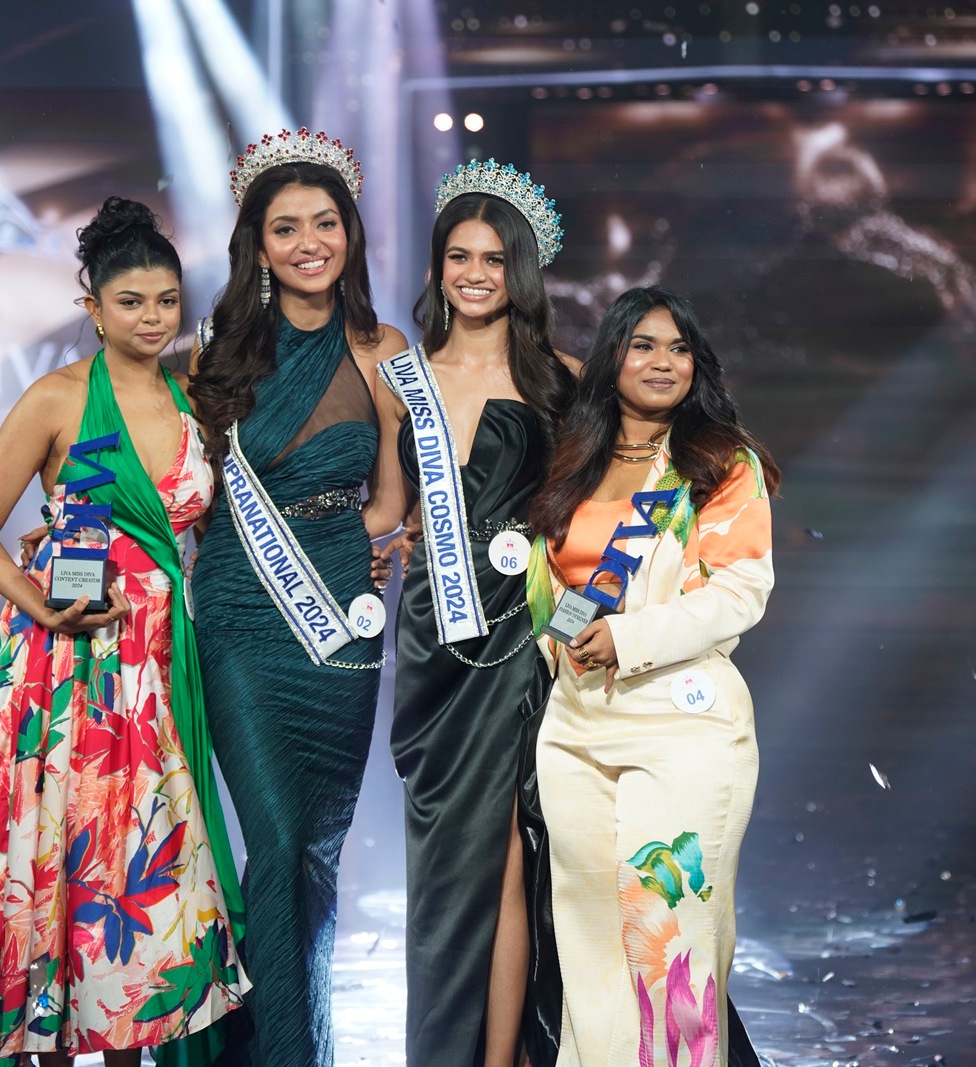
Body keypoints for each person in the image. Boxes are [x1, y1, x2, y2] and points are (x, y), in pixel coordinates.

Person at [0, 196, 247, 1066]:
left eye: (167, 300)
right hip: (64, 663)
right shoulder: (57, 398)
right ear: (93, 307)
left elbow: (213, 527)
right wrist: (41, 603)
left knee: (140, 867)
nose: (152, 318)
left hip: (159, 656)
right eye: (131, 302)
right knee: (63, 853)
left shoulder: (194, 399)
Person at [186, 128, 407, 1066]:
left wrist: (353, 545)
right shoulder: (216, 352)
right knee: (274, 840)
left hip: (338, 629)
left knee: (313, 853)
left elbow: (391, 500)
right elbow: (181, 488)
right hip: (241, 614)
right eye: (286, 228)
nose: (309, 242)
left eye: (325, 223)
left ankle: (280, 1044)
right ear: (259, 245)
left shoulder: (384, 350)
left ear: (350, 232)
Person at [525, 286, 780, 1066]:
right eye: (643, 345)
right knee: (591, 951)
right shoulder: (575, 456)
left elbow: (740, 593)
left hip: (681, 726)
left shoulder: (718, 462)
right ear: (612, 358)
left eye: (679, 348)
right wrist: (561, 646)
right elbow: (552, 582)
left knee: (664, 939)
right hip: (575, 727)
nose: (663, 361)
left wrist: (628, 637)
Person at [370, 159, 577, 1067]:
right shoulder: (398, 376)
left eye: (495, 258)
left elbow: (593, 513)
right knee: (448, 863)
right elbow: (388, 508)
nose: (476, 273)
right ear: (437, 265)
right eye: (459, 256)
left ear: (520, 271)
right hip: (433, 639)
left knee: (511, 856)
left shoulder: (564, 381)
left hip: (520, 635)